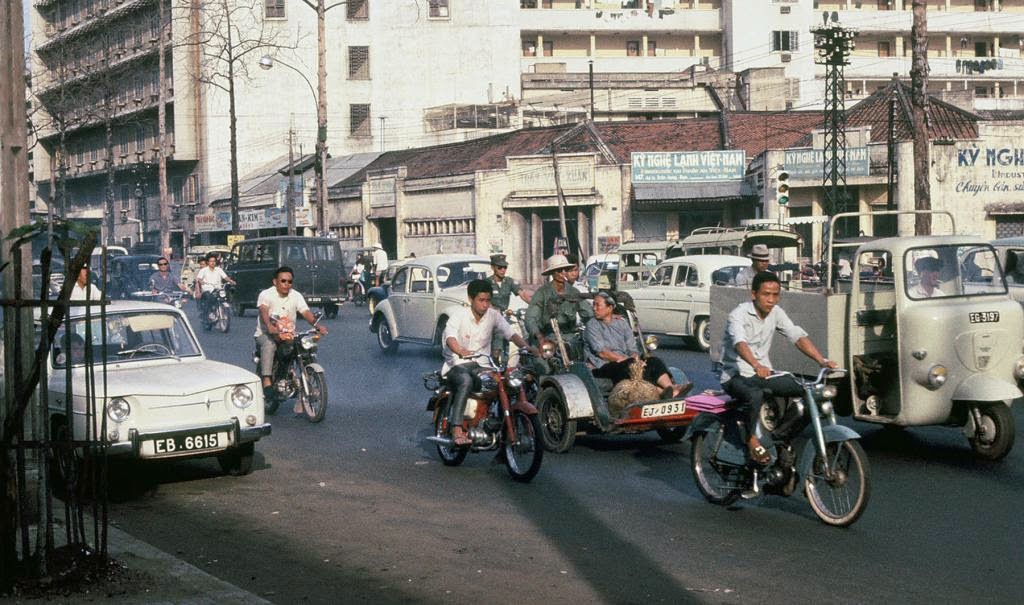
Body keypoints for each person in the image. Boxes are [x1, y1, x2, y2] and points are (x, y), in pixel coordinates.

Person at [722, 272, 837, 465]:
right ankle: (751, 440)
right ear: (754, 294)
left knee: (810, 392)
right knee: (754, 395)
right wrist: (756, 365)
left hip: (763, 374)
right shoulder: (738, 315)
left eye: (775, 295)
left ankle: (780, 436)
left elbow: (796, 336)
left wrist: (821, 360)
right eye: (766, 294)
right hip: (736, 375)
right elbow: (739, 343)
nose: (771, 300)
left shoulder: (776, 313)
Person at [442, 279, 534, 446]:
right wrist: (460, 350)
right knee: (466, 381)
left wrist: (528, 348)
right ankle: (456, 428)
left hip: (483, 366)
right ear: (471, 299)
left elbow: (510, 334)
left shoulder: (493, 315)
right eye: (481, 300)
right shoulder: (459, 315)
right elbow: (450, 337)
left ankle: (500, 425)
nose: (485, 305)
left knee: (507, 382)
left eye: (488, 300)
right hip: (456, 364)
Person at [584, 291, 692, 399]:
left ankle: (671, 388)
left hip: (625, 362)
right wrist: (627, 360)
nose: (594, 308)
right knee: (632, 365)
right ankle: (659, 391)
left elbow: (632, 347)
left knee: (653, 361)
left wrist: (635, 357)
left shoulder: (622, 323)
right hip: (603, 365)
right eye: (594, 304)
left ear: (610, 307)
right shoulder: (592, 325)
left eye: (597, 305)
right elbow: (602, 353)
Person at [255, 266, 329, 413]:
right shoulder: (266, 294)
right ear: (275, 281)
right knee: (269, 345)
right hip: (266, 334)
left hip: (288, 334)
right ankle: (267, 381)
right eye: (283, 281)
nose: (286, 284)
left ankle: (303, 389)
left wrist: (316, 325)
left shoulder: (296, 295)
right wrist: (269, 326)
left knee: (305, 348)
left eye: (289, 282)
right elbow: (263, 310)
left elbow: (305, 311)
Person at [525, 254, 594, 352]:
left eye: (565, 270)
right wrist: (539, 337)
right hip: (547, 338)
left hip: (570, 338)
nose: (563, 273)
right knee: (541, 363)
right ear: (552, 273)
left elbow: (588, 314)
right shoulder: (542, 293)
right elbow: (530, 318)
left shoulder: (574, 292)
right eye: (559, 270)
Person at [487, 253, 532, 358]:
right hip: (491, 316)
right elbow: (484, 300)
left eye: (505, 267)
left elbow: (523, 294)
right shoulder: (487, 282)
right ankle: (495, 360)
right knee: (498, 334)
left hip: (504, 316)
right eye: (500, 267)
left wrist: (535, 304)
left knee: (521, 333)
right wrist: (494, 309)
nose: (503, 270)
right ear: (493, 267)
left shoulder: (509, 281)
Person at [195, 253, 235, 318]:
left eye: (214, 261)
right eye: (211, 261)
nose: (212, 263)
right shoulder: (204, 270)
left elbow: (225, 277)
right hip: (207, 290)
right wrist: (201, 281)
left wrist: (231, 281)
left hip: (218, 289)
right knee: (208, 297)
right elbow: (198, 278)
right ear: (208, 262)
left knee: (224, 296)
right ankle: (209, 312)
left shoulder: (219, 270)